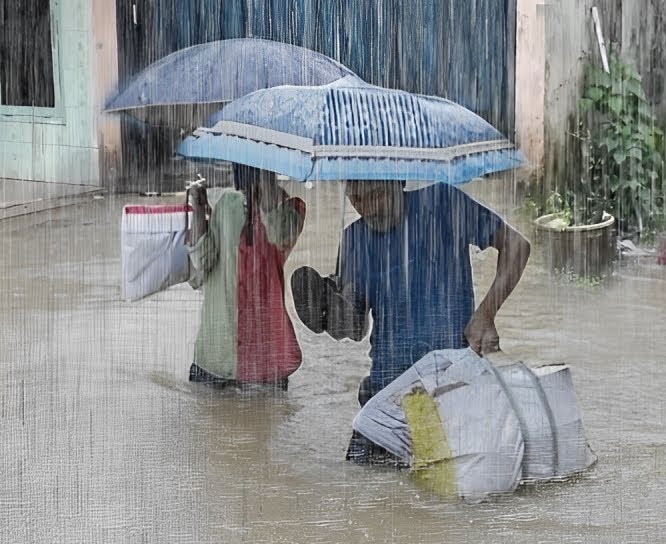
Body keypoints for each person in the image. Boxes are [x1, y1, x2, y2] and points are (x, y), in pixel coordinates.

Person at [332, 179, 531, 462]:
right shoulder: (353, 239)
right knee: (363, 491)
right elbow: (354, 329)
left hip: (452, 390)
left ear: (399, 182)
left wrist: (486, 314)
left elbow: (516, 245)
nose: (368, 209)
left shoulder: (443, 204)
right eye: (357, 200)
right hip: (387, 395)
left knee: (457, 491)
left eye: (376, 195)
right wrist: (332, 309)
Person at [186, 164, 307, 390]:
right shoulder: (227, 204)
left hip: (265, 362)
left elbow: (279, 235)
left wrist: (265, 189)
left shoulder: (291, 210)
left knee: (263, 422)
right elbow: (201, 262)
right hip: (216, 356)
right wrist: (199, 205)